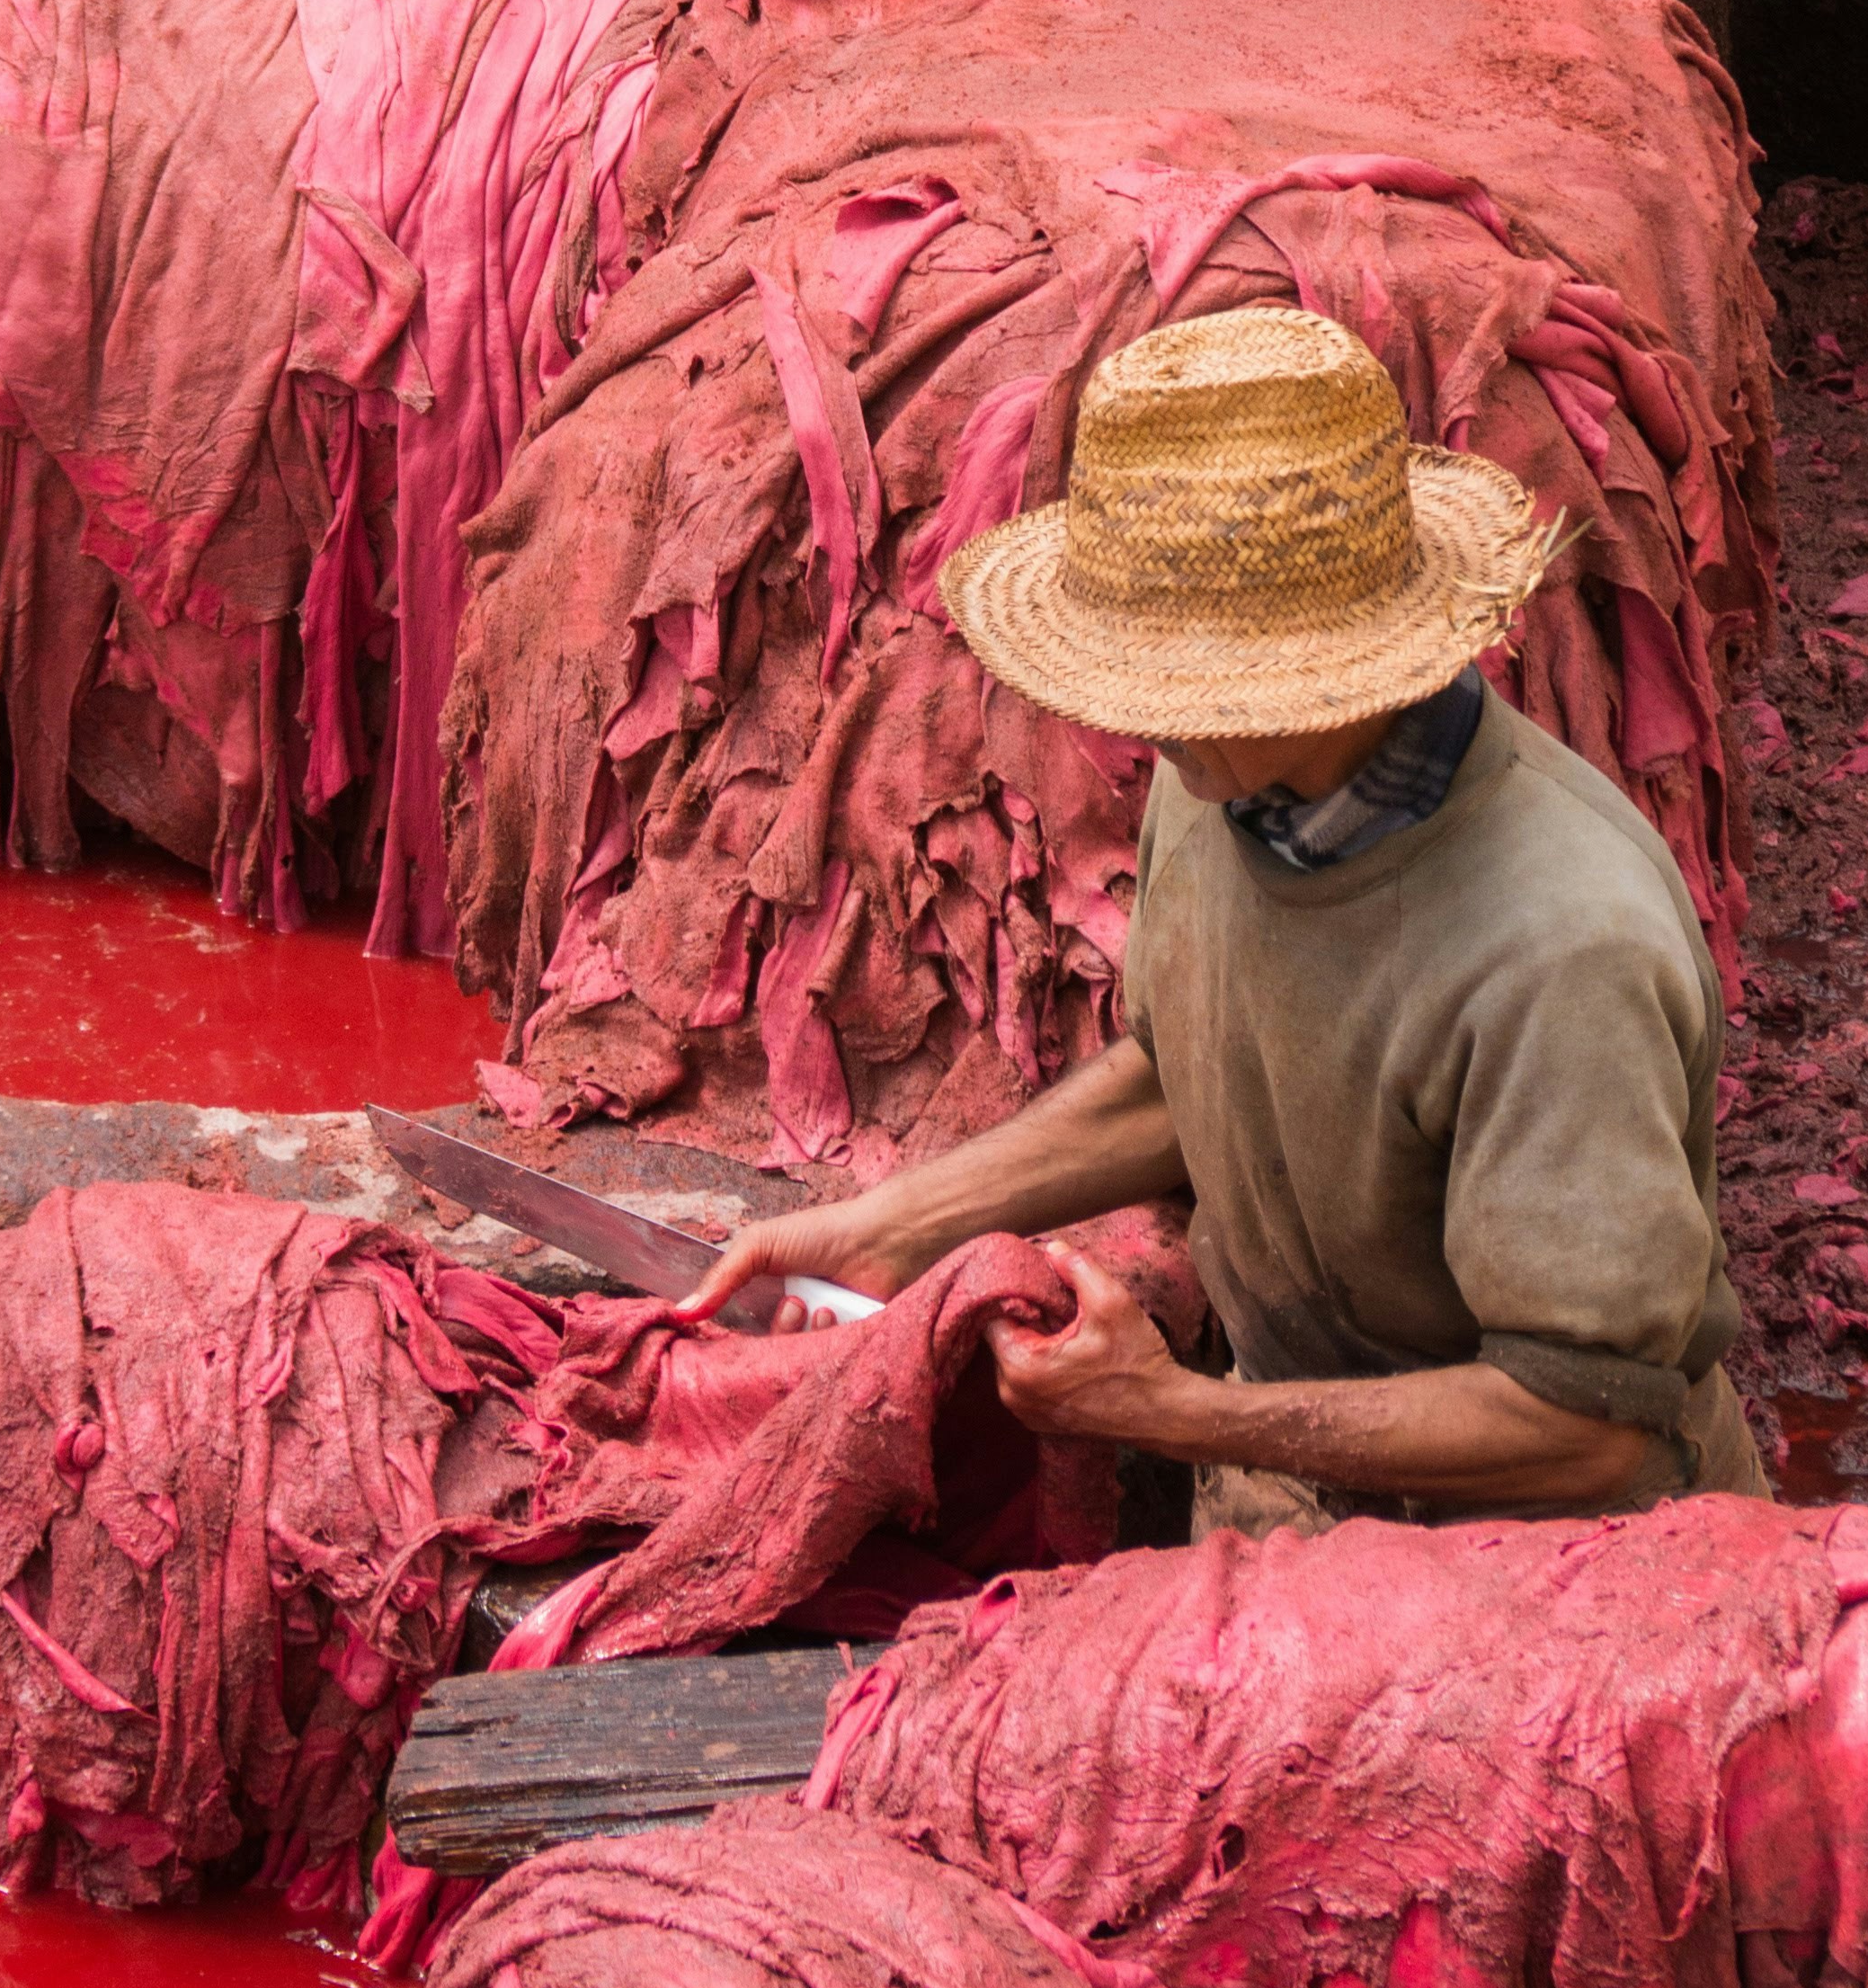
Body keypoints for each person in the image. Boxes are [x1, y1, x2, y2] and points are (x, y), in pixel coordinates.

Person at [687, 305, 1772, 1525]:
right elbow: (1189, 1068)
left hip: (1562, 1567)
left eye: (1175, 681)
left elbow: (1583, 1425)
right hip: (1294, 1485)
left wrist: (1170, 1413)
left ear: (1331, 667)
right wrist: (896, 1228)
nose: (1132, 719)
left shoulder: (1562, 950)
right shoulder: (1228, 780)